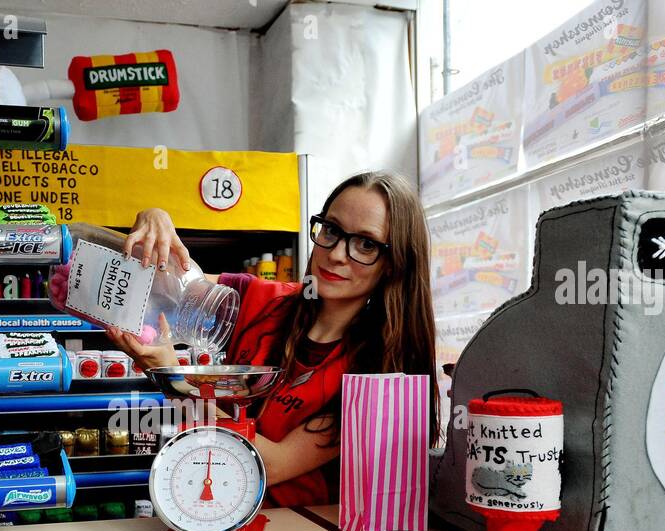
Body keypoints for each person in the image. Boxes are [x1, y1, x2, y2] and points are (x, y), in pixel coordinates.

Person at [51, 170, 439, 508]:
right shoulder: (261, 301)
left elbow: (265, 464)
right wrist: (154, 222)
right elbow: (168, 282)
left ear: (395, 263)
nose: (337, 254)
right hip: (204, 509)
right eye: (332, 230)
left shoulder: (376, 372)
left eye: (366, 244)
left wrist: (176, 380)